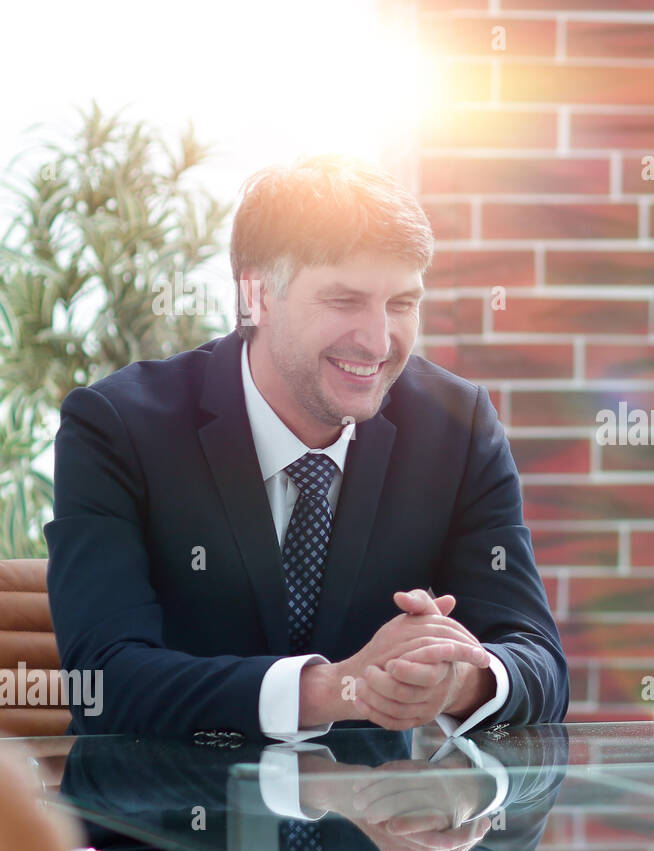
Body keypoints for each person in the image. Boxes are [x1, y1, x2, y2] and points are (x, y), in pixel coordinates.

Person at [45, 155, 567, 744]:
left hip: (372, 820)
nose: (378, 341)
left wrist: (458, 682)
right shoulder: (117, 427)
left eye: (401, 304)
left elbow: (538, 658)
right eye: (344, 301)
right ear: (256, 298)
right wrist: (337, 688)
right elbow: (103, 682)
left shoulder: (457, 425)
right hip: (162, 821)